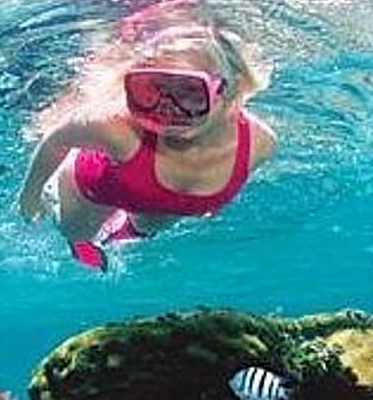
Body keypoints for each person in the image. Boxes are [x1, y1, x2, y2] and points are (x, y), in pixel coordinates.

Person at [17, 21, 277, 271]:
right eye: (150, 90)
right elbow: (56, 140)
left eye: (190, 92)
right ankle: (77, 231)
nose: (167, 109)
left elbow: (238, 173)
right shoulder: (116, 129)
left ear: (231, 91)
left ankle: (123, 232)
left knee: (149, 226)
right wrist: (30, 196)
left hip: (164, 200)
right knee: (75, 231)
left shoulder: (261, 143)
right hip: (97, 186)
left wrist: (213, 200)